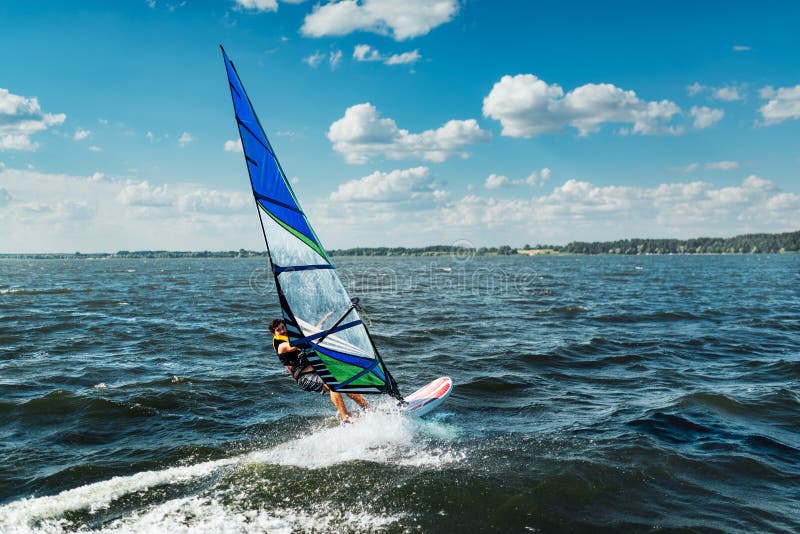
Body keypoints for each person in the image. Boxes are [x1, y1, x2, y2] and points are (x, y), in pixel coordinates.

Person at [268, 318, 369, 423]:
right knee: (332, 384)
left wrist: (323, 320)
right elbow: (297, 344)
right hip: (303, 377)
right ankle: (346, 418)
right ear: (274, 333)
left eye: (283, 327)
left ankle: (367, 408)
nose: (283, 331)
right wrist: (314, 335)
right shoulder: (280, 345)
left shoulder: (292, 337)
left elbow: (309, 335)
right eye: (278, 330)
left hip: (316, 370)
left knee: (343, 383)